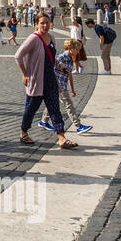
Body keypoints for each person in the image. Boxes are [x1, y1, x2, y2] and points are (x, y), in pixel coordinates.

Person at [15, 14, 77, 149]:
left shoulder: (51, 37)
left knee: (55, 109)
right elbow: (18, 56)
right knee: (30, 109)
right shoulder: (33, 39)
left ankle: (62, 138)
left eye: (47, 23)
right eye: (42, 23)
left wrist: (60, 67)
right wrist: (25, 74)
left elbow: (51, 57)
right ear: (36, 24)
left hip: (50, 79)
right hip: (36, 80)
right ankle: (23, 133)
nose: (45, 25)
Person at [52, 39, 93, 134]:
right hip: (59, 85)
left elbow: (69, 74)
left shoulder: (70, 58)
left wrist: (72, 89)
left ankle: (44, 121)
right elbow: (52, 69)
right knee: (69, 105)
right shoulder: (61, 58)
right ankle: (78, 126)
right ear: (70, 48)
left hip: (63, 85)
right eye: (77, 49)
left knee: (54, 104)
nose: (78, 52)